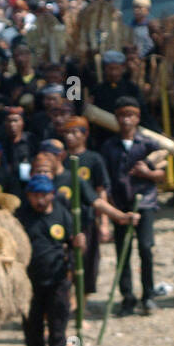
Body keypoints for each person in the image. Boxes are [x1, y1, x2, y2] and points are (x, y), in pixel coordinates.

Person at [17, 173, 85, 346]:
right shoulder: (21, 217)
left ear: (52, 195)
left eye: (44, 195)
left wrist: (78, 245)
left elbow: (75, 247)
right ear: (28, 196)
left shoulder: (64, 215)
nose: (40, 200)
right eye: (35, 195)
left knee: (58, 329)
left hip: (57, 280)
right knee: (32, 329)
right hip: (29, 282)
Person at [101, 96, 163, 316]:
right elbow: (106, 179)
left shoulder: (148, 144)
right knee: (123, 252)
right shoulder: (109, 146)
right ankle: (127, 297)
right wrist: (111, 210)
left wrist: (148, 173)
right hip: (120, 204)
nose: (126, 120)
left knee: (146, 249)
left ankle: (148, 295)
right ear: (116, 118)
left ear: (137, 118)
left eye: (131, 115)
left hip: (144, 202)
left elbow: (161, 171)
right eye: (122, 116)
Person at [61, 116, 110, 294]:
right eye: (67, 132)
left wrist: (104, 222)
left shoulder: (94, 159)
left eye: (74, 132)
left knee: (88, 263)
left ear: (85, 134)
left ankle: (82, 300)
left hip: (86, 218)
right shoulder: (61, 159)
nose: (70, 137)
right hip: (65, 218)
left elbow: (101, 189)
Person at [89, 50, 140, 116]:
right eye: (110, 69)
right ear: (105, 68)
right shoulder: (97, 90)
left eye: (117, 68)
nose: (113, 73)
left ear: (123, 68)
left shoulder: (132, 89)